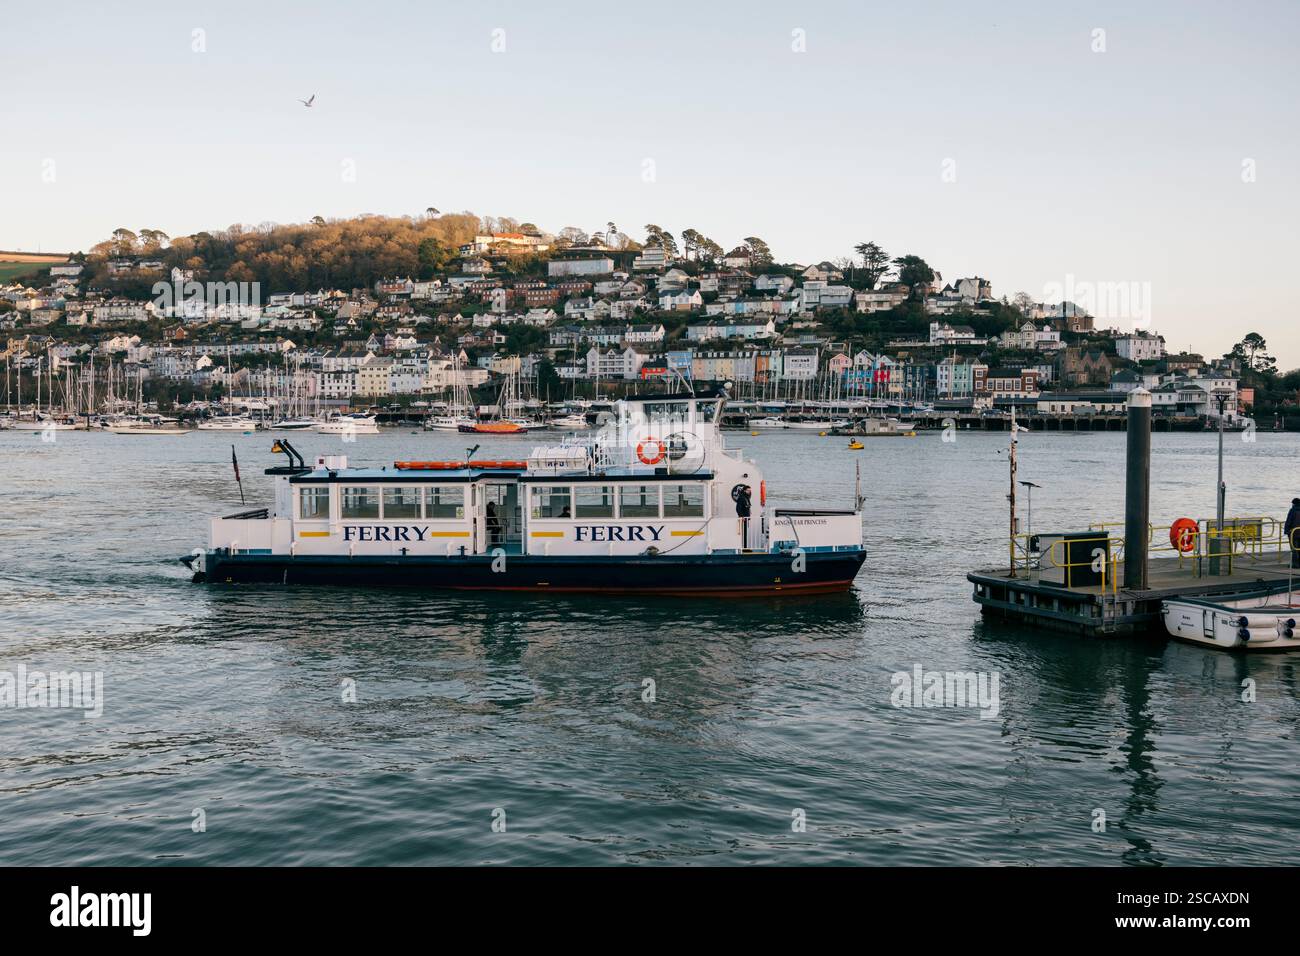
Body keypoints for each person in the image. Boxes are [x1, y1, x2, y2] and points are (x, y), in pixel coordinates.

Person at [734, 483, 752, 549]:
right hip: (743, 519)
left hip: (746, 518)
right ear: (744, 490)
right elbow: (738, 508)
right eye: (748, 490)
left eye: (750, 490)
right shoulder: (741, 497)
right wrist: (741, 517)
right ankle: (744, 548)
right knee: (743, 534)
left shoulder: (746, 497)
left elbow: (747, 506)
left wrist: (749, 511)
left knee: (745, 533)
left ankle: (745, 547)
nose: (749, 491)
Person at [1286, 498, 1300, 568]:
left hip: (1293, 533)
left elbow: (1289, 521)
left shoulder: (1293, 511)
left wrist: (1286, 531)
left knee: (1294, 549)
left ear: (1294, 504)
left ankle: (1295, 564)